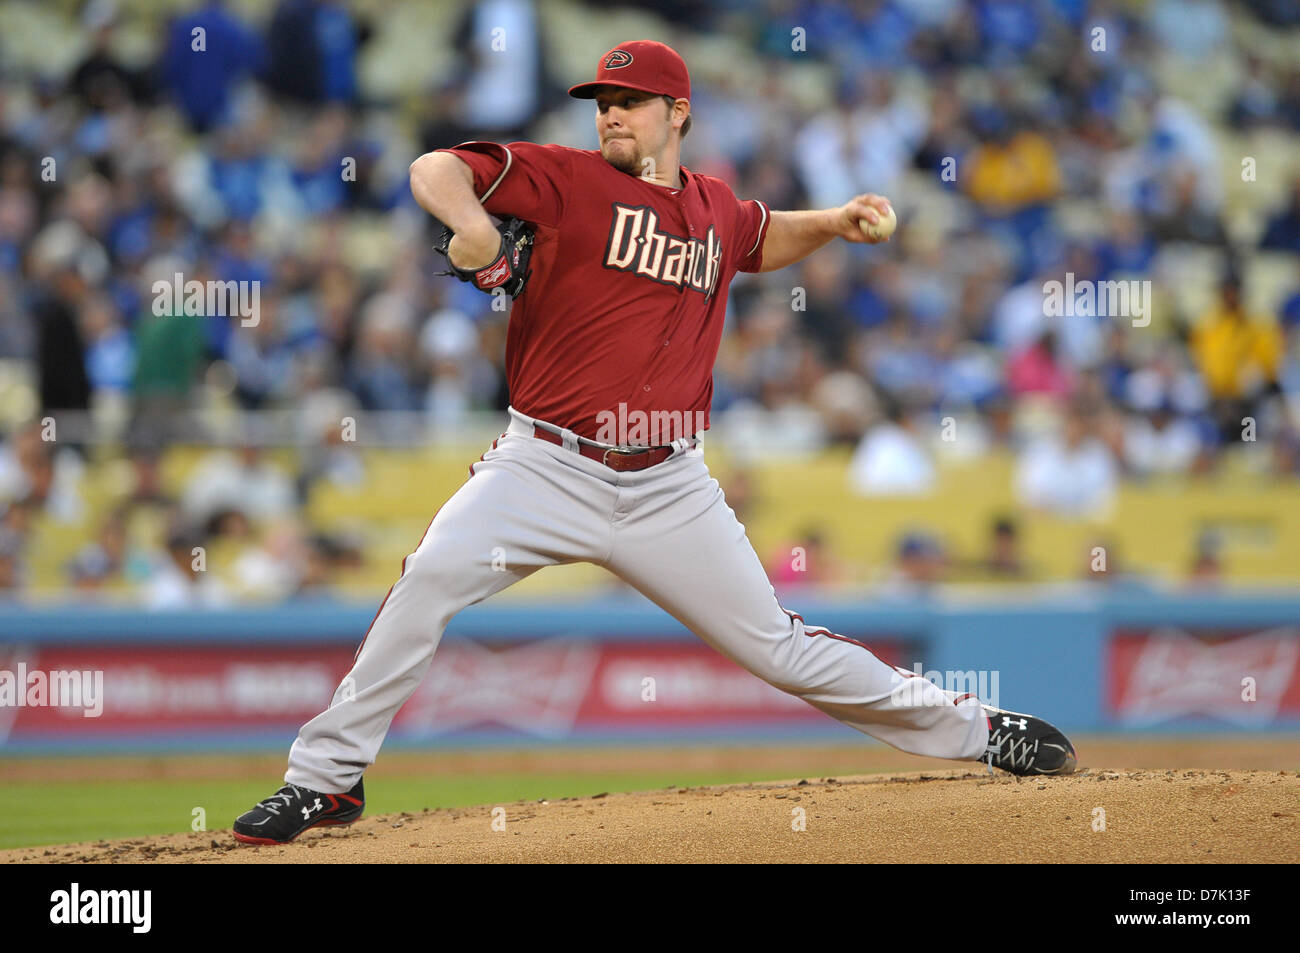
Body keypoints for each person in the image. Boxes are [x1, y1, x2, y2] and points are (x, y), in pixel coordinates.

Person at [233, 41, 1076, 845]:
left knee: (780, 649)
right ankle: (328, 776)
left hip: (669, 485)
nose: (610, 116)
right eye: (603, 102)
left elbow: (758, 236)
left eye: (629, 102)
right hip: (544, 465)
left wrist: (835, 221)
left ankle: (980, 730)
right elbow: (435, 168)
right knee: (426, 586)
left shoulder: (712, 205)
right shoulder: (564, 180)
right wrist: (479, 230)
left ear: (678, 112)